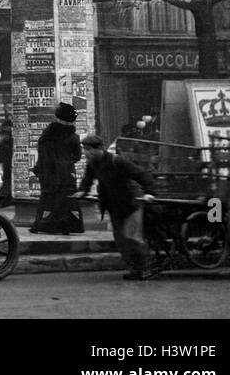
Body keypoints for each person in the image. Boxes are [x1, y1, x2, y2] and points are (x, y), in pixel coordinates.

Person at [73, 135, 157, 279]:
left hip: (131, 204)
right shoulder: (93, 163)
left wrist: (149, 193)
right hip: (114, 206)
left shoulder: (117, 160)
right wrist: (82, 191)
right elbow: (88, 179)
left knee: (132, 238)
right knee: (122, 242)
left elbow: (141, 175)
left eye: (88, 149)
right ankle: (135, 270)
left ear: (98, 149)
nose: (85, 153)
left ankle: (146, 268)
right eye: (84, 150)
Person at [31, 102, 84, 234]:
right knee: (66, 200)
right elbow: (77, 156)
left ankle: (43, 225)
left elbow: (42, 154)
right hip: (66, 174)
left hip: (48, 173)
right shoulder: (73, 137)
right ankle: (65, 226)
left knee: (48, 199)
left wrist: (40, 168)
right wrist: (66, 162)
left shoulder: (47, 135)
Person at [0, 118, 14, 206]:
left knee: (6, 181)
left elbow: (1, 155)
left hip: (6, 164)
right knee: (8, 181)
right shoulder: (11, 141)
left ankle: (2, 200)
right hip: (10, 164)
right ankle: (4, 200)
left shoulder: (4, 142)